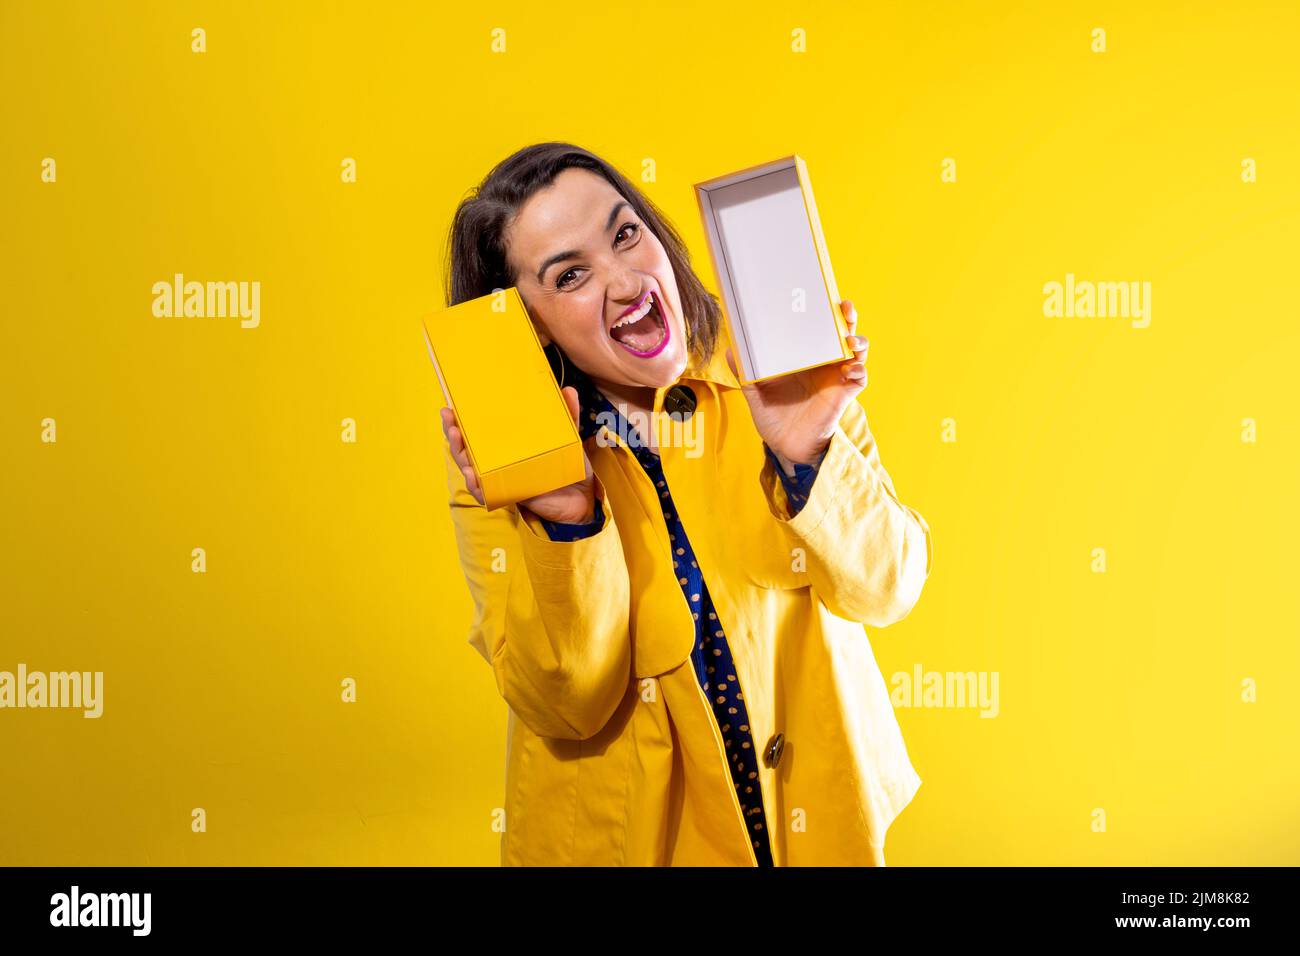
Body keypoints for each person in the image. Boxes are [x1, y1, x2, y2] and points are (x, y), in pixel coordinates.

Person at [438, 142, 933, 866]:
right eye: (570, 275)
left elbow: (890, 588)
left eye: (625, 233)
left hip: (817, 827)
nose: (624, 280)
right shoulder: (502, 468)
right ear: (530, 323)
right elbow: (565, 706)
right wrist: (566, 521)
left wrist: (808, 457)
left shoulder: (781, 368)